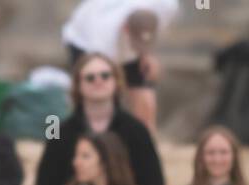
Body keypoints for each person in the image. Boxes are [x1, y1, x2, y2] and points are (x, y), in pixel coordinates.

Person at [35, 51, 164, 185]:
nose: (98, 81)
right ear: (78, 85)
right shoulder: (58, 131)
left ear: (116, 81)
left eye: (105, 75)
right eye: (90, 77)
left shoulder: (136, 130)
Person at [62, 0, 179, 130]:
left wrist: (147, 54)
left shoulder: (166, 6)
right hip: (83, 40)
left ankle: (146, 138)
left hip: (121, 39)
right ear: (125, 28)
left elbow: (148, 34)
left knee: (144, 94)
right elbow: (99, 69)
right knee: (93, 90)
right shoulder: (102, 33)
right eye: (136, 41)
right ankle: (87, 136)